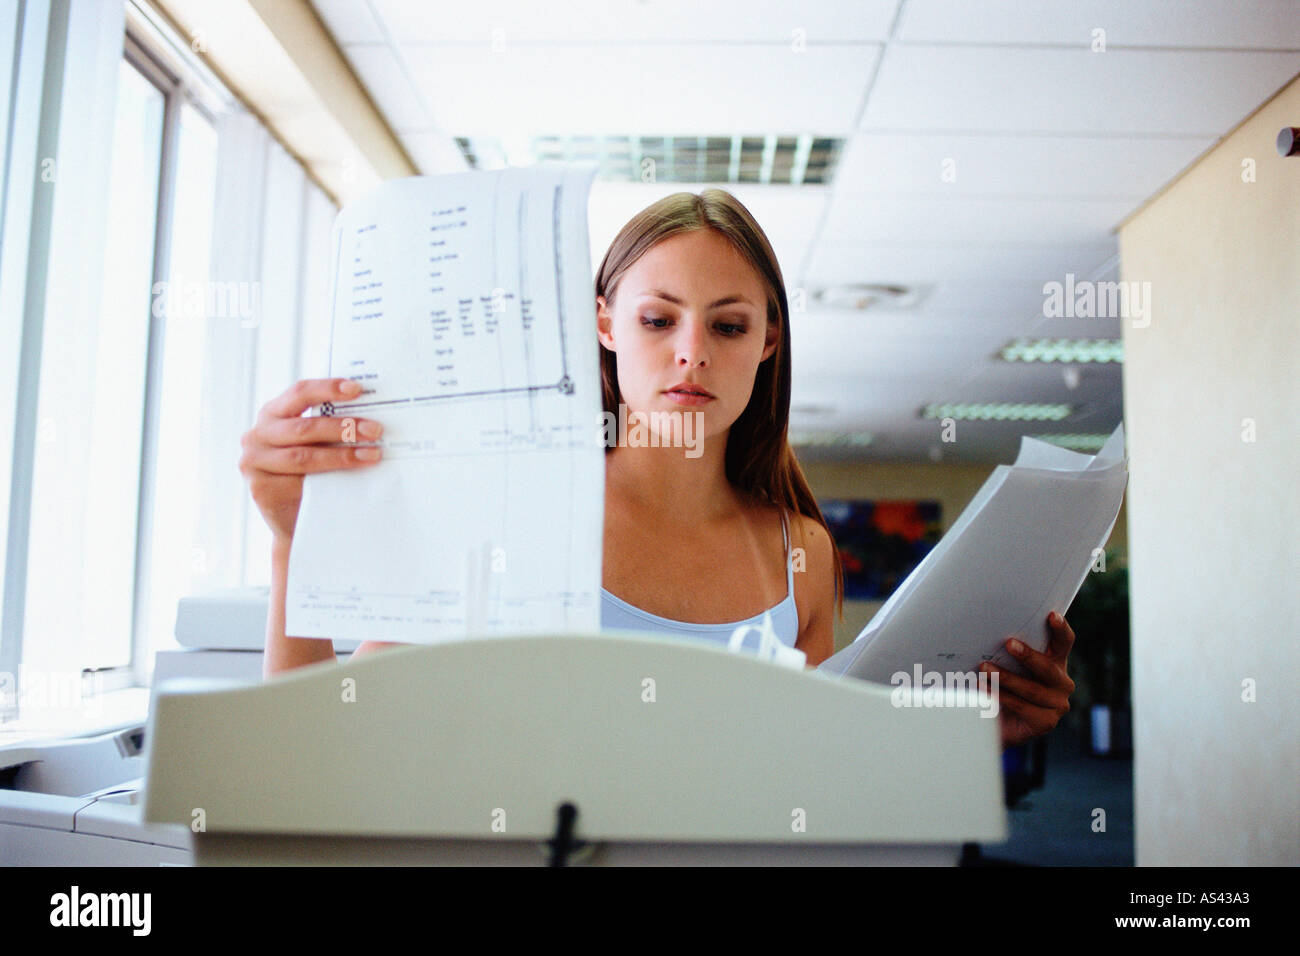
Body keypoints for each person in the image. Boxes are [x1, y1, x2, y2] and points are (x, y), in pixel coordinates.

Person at [240, 189, 1075, 749]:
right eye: (656, 318)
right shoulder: (506, 515)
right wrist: (294, 545)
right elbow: (324, 750)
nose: (690, 354)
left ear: (768, 342)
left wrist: (963, 730)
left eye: (728, 325)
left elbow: (821, 779)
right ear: (605, 325)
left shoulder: (801, 552)